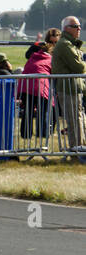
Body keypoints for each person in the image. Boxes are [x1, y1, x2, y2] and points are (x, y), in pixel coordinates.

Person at [50, 16, 86, 153]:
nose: (79, 29)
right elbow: (79, 67)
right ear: (67, 28)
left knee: (79, 119)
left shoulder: (70, 44)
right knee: (75, 121)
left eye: (79, 26)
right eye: (76, 26)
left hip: (74, 88)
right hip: (68, 89)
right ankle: (77, 151)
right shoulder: (65, 44)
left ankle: (80, 150)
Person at [19, 36, 53, 140]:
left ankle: (25, 134)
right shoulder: (50, 59)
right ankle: (42, 133)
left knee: (27, 111)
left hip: (26, 86)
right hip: (41, 88)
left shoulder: (32, 57)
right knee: (42, 111)